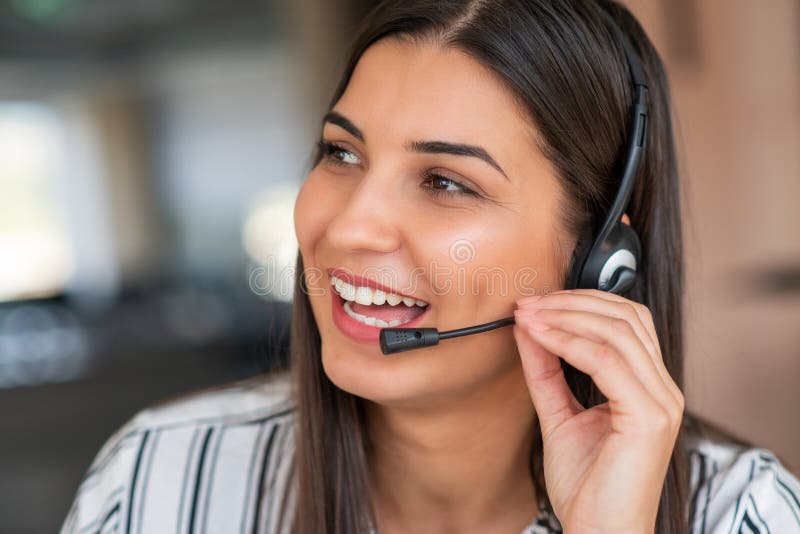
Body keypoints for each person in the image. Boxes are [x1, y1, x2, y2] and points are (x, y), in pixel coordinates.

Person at [61, 1, 800, 533]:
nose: (348, 227)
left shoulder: (742, 514)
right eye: (341, 153)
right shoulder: (154, 475)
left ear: (601, 259)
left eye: (446, 182)